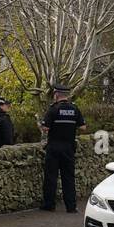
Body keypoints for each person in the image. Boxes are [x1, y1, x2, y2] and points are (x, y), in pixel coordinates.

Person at [40, 82, 86, 213]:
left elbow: (46, 127)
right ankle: (71, 206)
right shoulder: (74, 109)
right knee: (69, 177)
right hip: (69, 148)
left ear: (56, 94)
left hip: (54, 147)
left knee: (51, 176)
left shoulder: (53, 109)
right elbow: (83, 127)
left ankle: (49, 204)